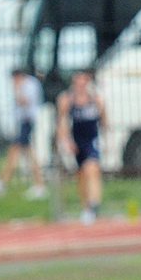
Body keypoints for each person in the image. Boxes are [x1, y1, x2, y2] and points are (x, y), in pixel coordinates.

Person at [0, 68, 47, 199]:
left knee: (14, 151)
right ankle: (38, 184)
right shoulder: (28, 83)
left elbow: (24, 101)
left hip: (27, 121)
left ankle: (1, 182)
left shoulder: (28, 85)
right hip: (24, 121)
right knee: (27, 154)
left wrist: (17, 89)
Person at [56, 69, 104, 223]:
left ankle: (93, 203)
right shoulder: (66, 99)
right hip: (77, 142)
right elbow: (61, 122)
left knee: (93, 169)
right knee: (81, 175)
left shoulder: (95, 99)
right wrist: (66, 141)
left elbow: (104, 119)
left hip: (92, 140)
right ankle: (86, 207)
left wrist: (108, 139)